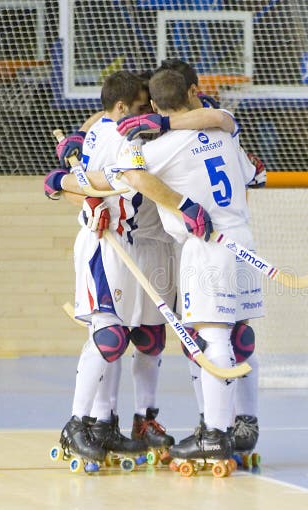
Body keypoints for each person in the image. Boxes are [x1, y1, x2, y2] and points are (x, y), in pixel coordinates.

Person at [116, 69, 264, 472]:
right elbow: (254, 170)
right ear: (192, 94)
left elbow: (129, 175)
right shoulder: (225, 131)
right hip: (241, 239)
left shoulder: (164, 147)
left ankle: (214, 434)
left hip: (206, 248)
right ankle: (243, 424)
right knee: (240, 335)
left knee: (212, 339)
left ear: (156, 106)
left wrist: (180, 203)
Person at [44, 70, 181, 469]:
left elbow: (89, 172)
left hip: (141, 246)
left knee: (142, 339)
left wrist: (77, 185)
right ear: (122, 107)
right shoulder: (118, 137)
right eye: (141, 107)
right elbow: (84, 185)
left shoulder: (124, 131)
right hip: (105, 245)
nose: (147, 113)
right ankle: (78, 422)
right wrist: (73, 191)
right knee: (109, 339)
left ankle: (110, 425)